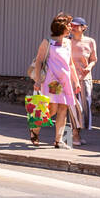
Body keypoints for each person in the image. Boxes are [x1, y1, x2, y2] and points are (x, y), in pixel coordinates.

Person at [30, 13, 82, 148]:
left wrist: (75, 81)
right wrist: (37, 80)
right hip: (53, 81)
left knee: (63, 108)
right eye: (69, 26)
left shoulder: (68, 42)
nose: (71, 28)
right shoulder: (47, 42)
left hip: (65, 81)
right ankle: (34, 130)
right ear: (62, 28)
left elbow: (70, 63)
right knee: (51, 109)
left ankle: (59, 141)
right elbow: (39, 61)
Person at [69, 16, 98, 146]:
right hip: (70, 79)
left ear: (83, 27)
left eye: (76, 26)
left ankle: (77, 135)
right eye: (72, 25)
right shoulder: (66, 41)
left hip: (85, 78)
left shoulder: (90, 41)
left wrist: (89, 67)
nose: (73, 28)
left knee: (85, 107)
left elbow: (94, 59)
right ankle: (73, 136)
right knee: (74, 107)